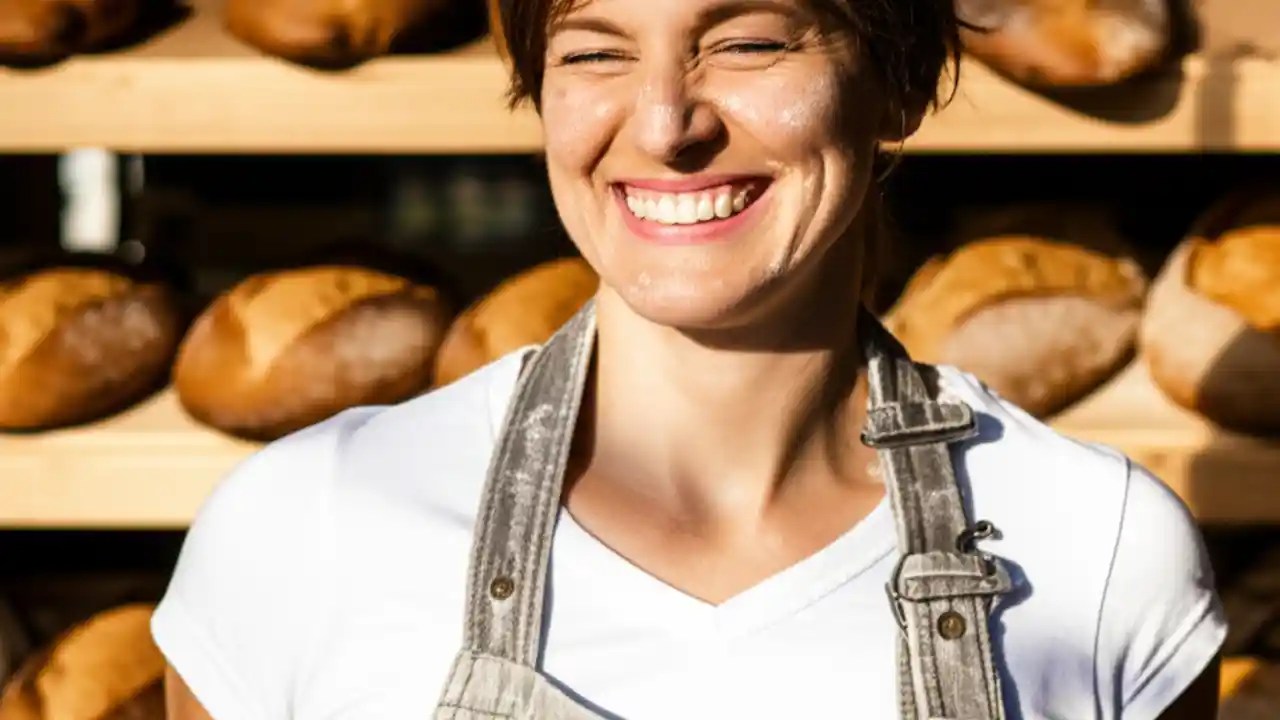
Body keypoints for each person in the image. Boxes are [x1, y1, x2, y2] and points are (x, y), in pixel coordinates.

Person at [156, 0, 1227, 717]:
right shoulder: (308, 524)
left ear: (897, 85)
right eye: (593, 52)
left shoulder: (1097, 550)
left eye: (748, 41)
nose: (665, 124)